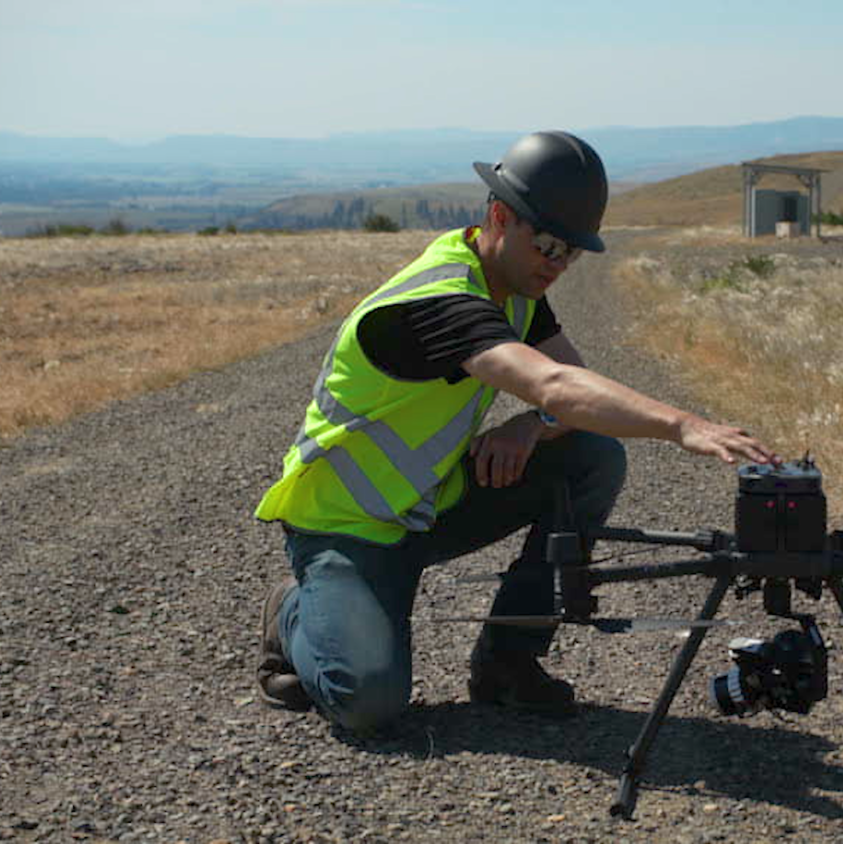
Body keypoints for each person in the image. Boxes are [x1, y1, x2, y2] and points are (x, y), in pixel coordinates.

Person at [254, 130, 775, 734]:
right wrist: (681, 425)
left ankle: (508, 661)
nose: (557, 264)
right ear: (500, 217)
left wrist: (531, 425)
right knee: (368, 702)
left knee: (592, 456)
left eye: (571, 253)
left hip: (429, 506)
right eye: (548, 245)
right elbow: (555, 384)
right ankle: (292, 612)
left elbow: (571, 388)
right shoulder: (437, 301)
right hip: (349, 526)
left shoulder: (517, 290)